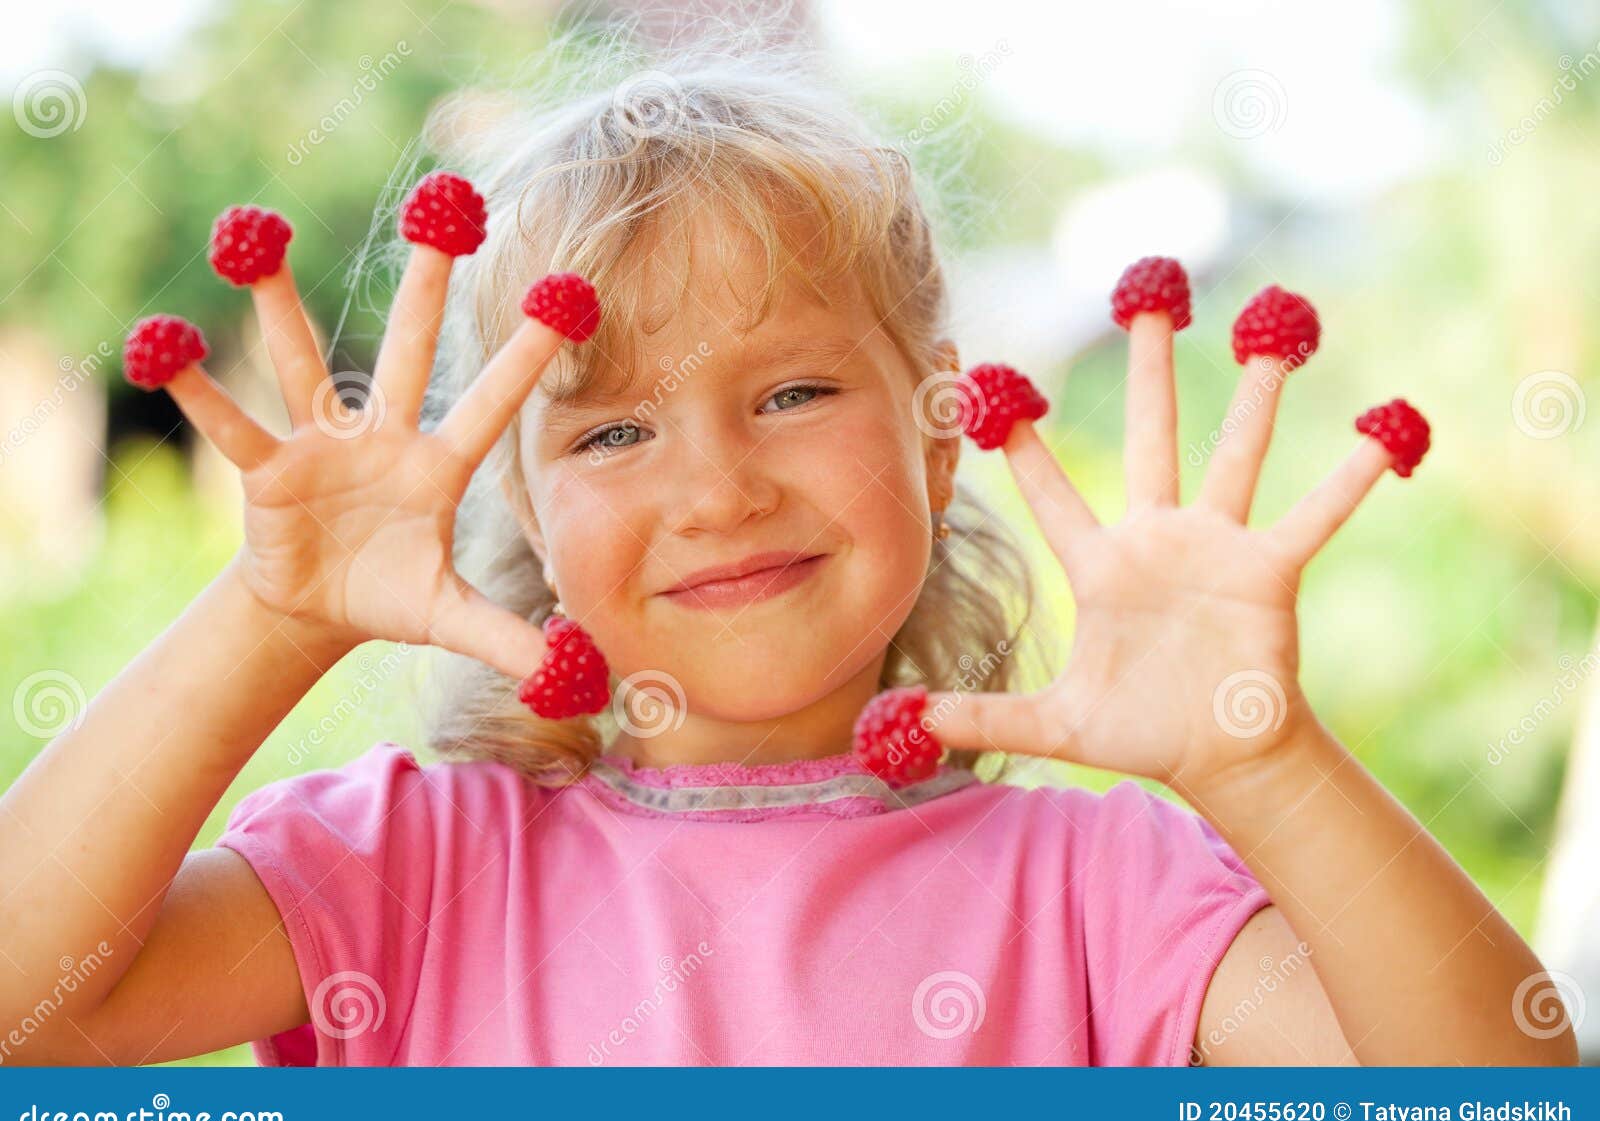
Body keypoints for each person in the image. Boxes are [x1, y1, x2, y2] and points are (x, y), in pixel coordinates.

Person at [0, 30, 1575, 1067]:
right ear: (523, 513)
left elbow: (1497, 1095)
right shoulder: (407, 870)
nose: (716, 488)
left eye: (796, 391)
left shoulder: (1103, 894)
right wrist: (267, 619)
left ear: (939, 431)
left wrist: (1266, 758)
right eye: (612, 431)